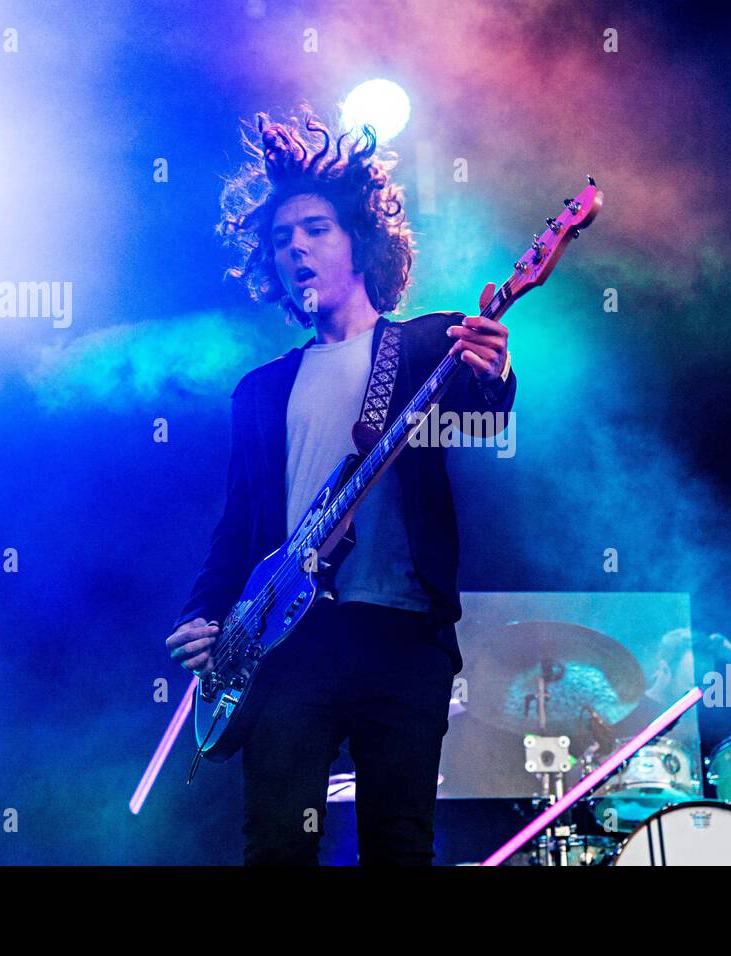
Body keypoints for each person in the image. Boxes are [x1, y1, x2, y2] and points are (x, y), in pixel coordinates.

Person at [165, 109, 515, 865]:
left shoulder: (426, 343)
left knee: (399, 848)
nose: (297, 248)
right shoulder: (260, 390)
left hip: (403, 636)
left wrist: (495, 375)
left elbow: (482, 426)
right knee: (277, 849)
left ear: (360, 238)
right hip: (292, 643)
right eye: (283, 238)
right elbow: (240, 528)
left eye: (316, 229)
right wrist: (206, 615)